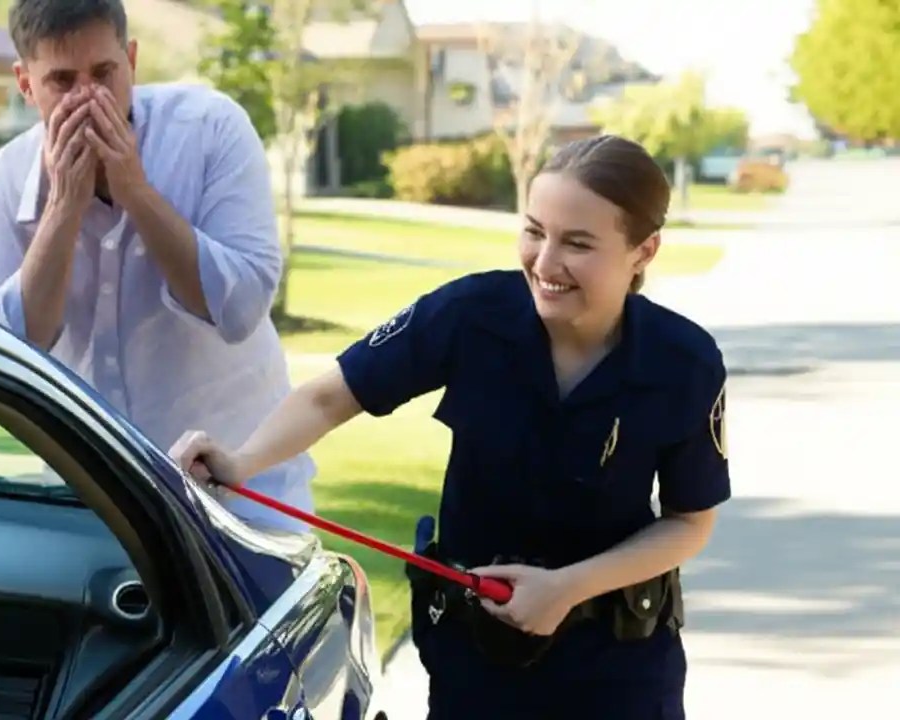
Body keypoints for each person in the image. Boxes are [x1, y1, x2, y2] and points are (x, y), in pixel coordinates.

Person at [170, 134, 730, 718]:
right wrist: (240, 462)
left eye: (578, 243)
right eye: (534, 231)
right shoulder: (469, 316)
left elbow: (689, 523)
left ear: (644, 251)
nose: (544, 263)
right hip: (477, 667)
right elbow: (331, 397)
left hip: (621, 674)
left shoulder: (683, 362)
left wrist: (568, 588)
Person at [0, 0, 314, 531]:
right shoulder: (5, 181)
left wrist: (135, 191)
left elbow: (240, 309)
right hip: (94, 506)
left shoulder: (211, 131)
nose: (87, 98)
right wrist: (63, 208)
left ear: (131, 60)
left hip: (244, 496)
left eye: (104, 73)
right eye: (61, 80)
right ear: (25, 84)